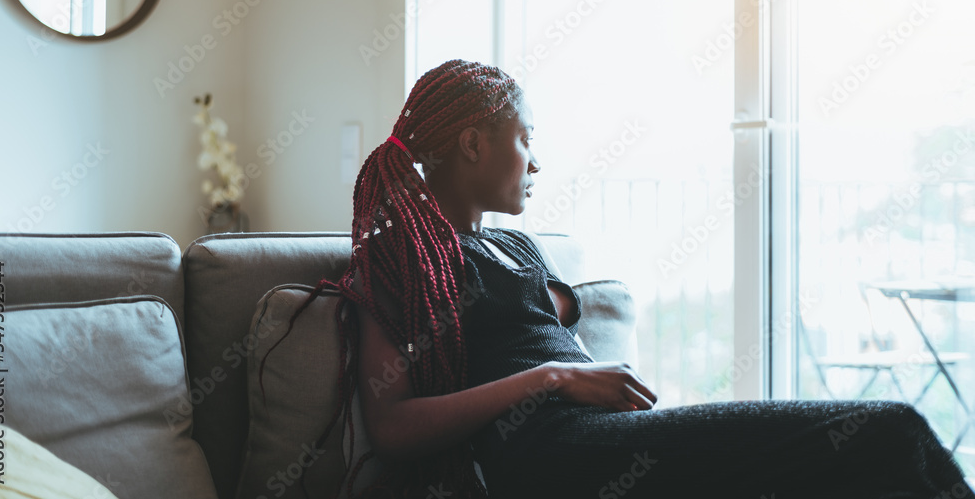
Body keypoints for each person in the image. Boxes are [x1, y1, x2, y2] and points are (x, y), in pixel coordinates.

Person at [274, 59, 974, 499]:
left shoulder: (517, 245)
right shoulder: (406, 256)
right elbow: (393, 426)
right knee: (892, 430)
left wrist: (562, 317)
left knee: (868, 472)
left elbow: (545, 314)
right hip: (552, 454)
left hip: (609, 437)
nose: (536, 162)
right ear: (473, 143)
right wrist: (553, 378)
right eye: (526, 138)